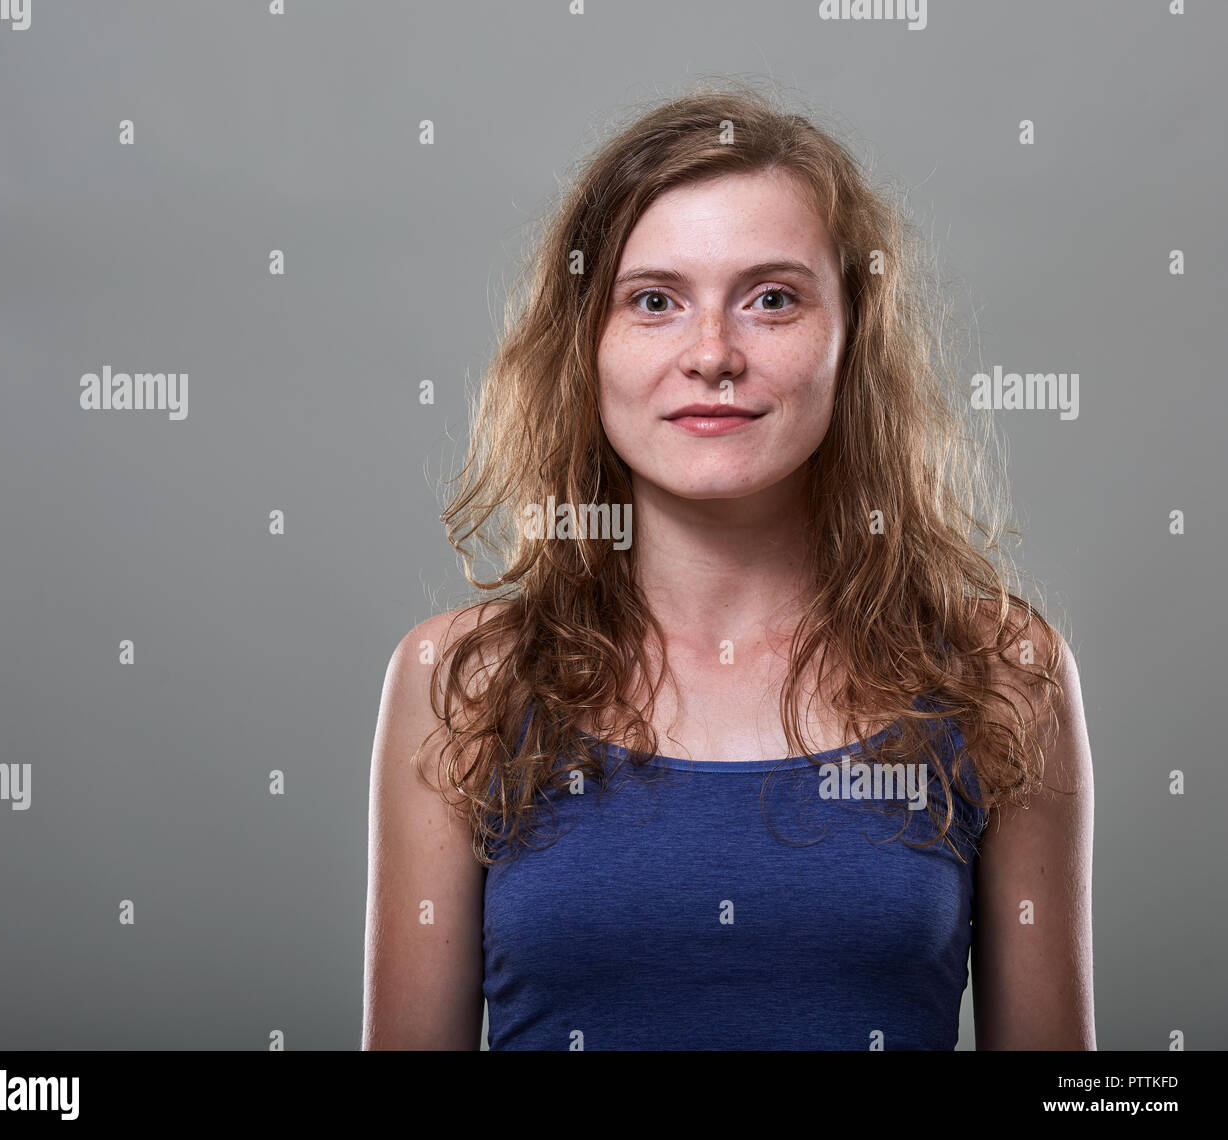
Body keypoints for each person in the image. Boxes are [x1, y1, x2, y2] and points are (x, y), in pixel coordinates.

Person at [363, 80, 1095, 1051]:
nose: (713, 354)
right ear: (587, 345)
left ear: (850, 338)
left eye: (771, 299)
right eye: (654, 301)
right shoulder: (461, 683)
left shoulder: (1002, 675)